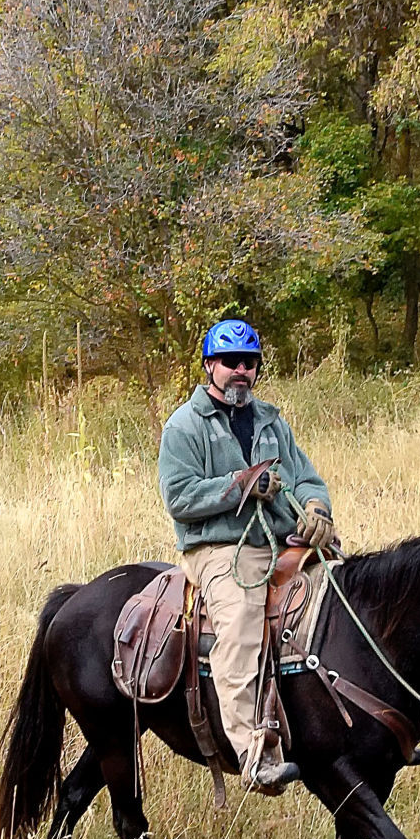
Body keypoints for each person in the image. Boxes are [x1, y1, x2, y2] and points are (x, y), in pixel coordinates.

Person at [157, 319, 337, 794]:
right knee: (239, 623)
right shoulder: (183, 426)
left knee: (346, 589)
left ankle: (361, 729)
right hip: (217, 549)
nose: (241, 371)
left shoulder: (271, 421)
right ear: (209, 365)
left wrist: (317, 508)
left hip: (278, 544)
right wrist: (241, 484)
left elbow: (306, 480)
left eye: (249, 363)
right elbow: (179, 496)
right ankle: (254, 755)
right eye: (231, 362)